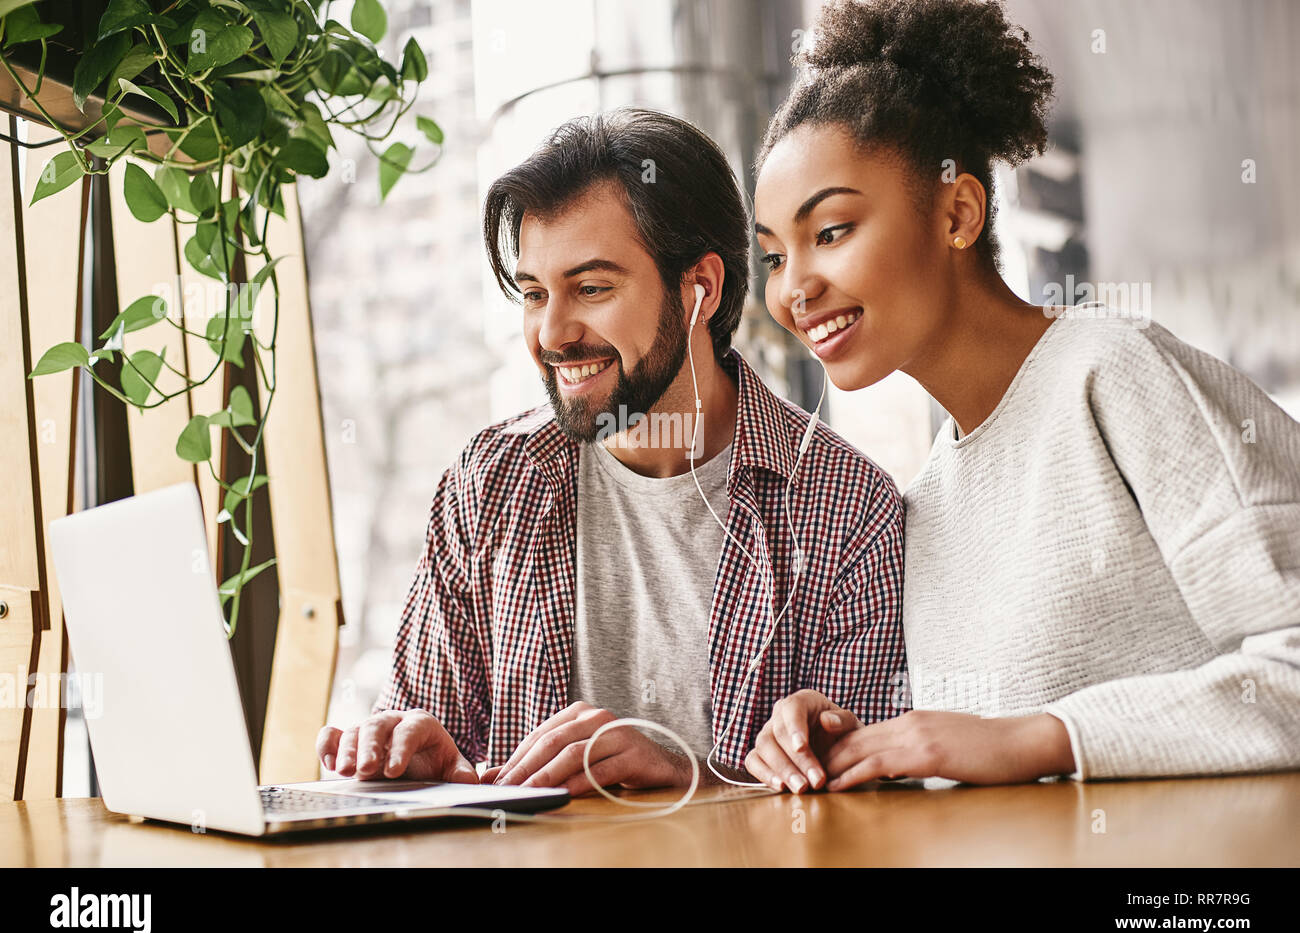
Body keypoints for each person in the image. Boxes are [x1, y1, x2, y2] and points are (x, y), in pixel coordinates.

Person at [745, 0, 1300, 790]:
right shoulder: (931, 496)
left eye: (830, 231)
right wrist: (844, 734)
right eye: (772, 255)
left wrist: (1043, 738)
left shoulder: (1114, 374)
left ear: (958, 213)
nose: (794, 287)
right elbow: (985, 743)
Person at [318, 108, 907, 795]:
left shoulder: (847, 507)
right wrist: (412, 762)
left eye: (591, 288)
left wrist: (698, 778)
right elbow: (431, 740)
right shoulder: (489, 482)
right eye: (535, 294)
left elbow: (863, 816)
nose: (552, 333)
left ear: (701, 289)